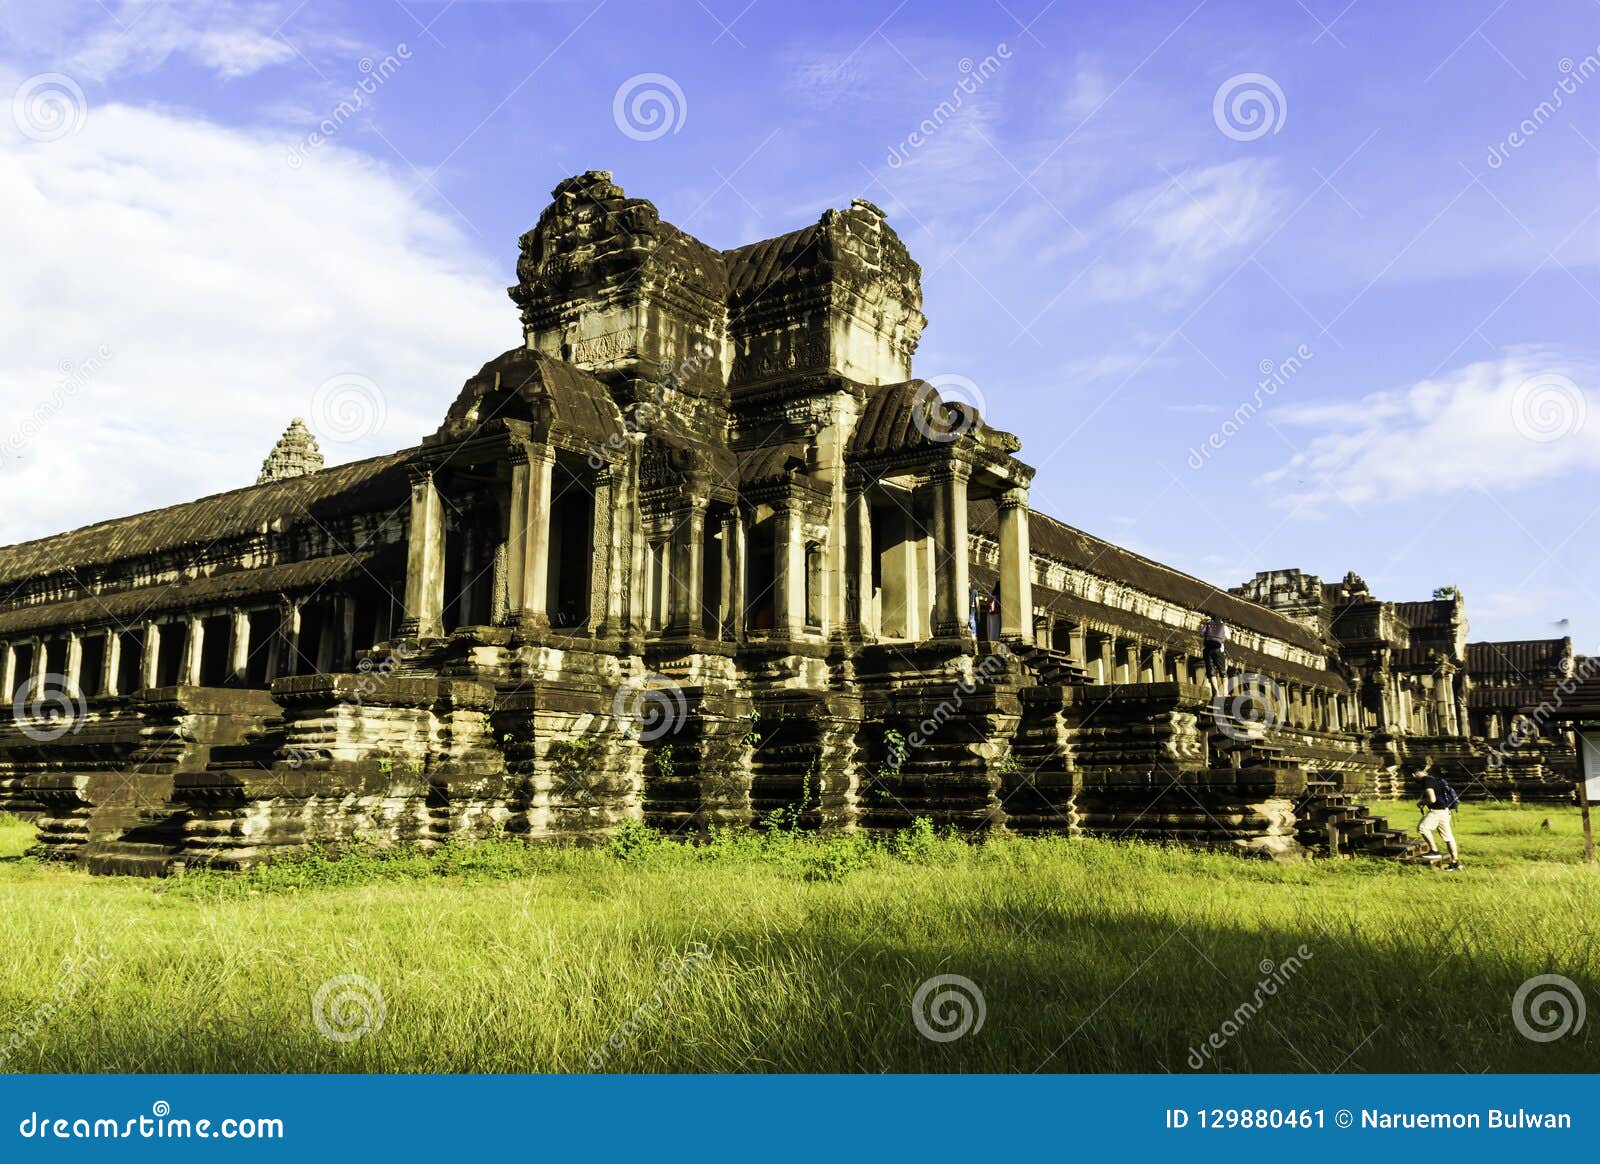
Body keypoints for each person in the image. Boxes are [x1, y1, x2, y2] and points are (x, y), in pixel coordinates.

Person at [1417, 764, 1463, 871]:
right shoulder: (1435, 779)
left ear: (1416, 773)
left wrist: (1421, 802)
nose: (1414, 777)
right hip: (1446, 811)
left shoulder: (1426, 781)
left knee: (1422, 828)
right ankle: (1455, 863)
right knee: (1449, 838)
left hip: (1437, 811)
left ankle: (1434, 851)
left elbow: (1432, 799)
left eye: (1414, 775)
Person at [1200, 613, 1229, 698]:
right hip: (1218, 650)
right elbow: (1228, 637)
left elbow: (1201, 634)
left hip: (1207, 650)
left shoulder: (1208, 625)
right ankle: (1225, 693)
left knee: (1211, 672)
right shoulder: (1224, 626)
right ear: (1221, 620)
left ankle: (1216, 693)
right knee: (1223, 671)